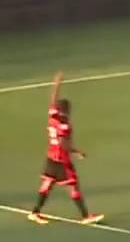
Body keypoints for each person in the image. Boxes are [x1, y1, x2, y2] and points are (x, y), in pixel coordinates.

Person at [29, 72, 104, 226]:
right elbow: (64, 143)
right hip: (62, 160)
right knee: (73, 186)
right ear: (67, 111)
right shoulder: (64, 125)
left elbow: (52, 100)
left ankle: (35, 212)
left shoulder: (52, 117)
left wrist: (56, 84)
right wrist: (77, 152)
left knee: (47, 184)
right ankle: (85, 216)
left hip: (51, 157)